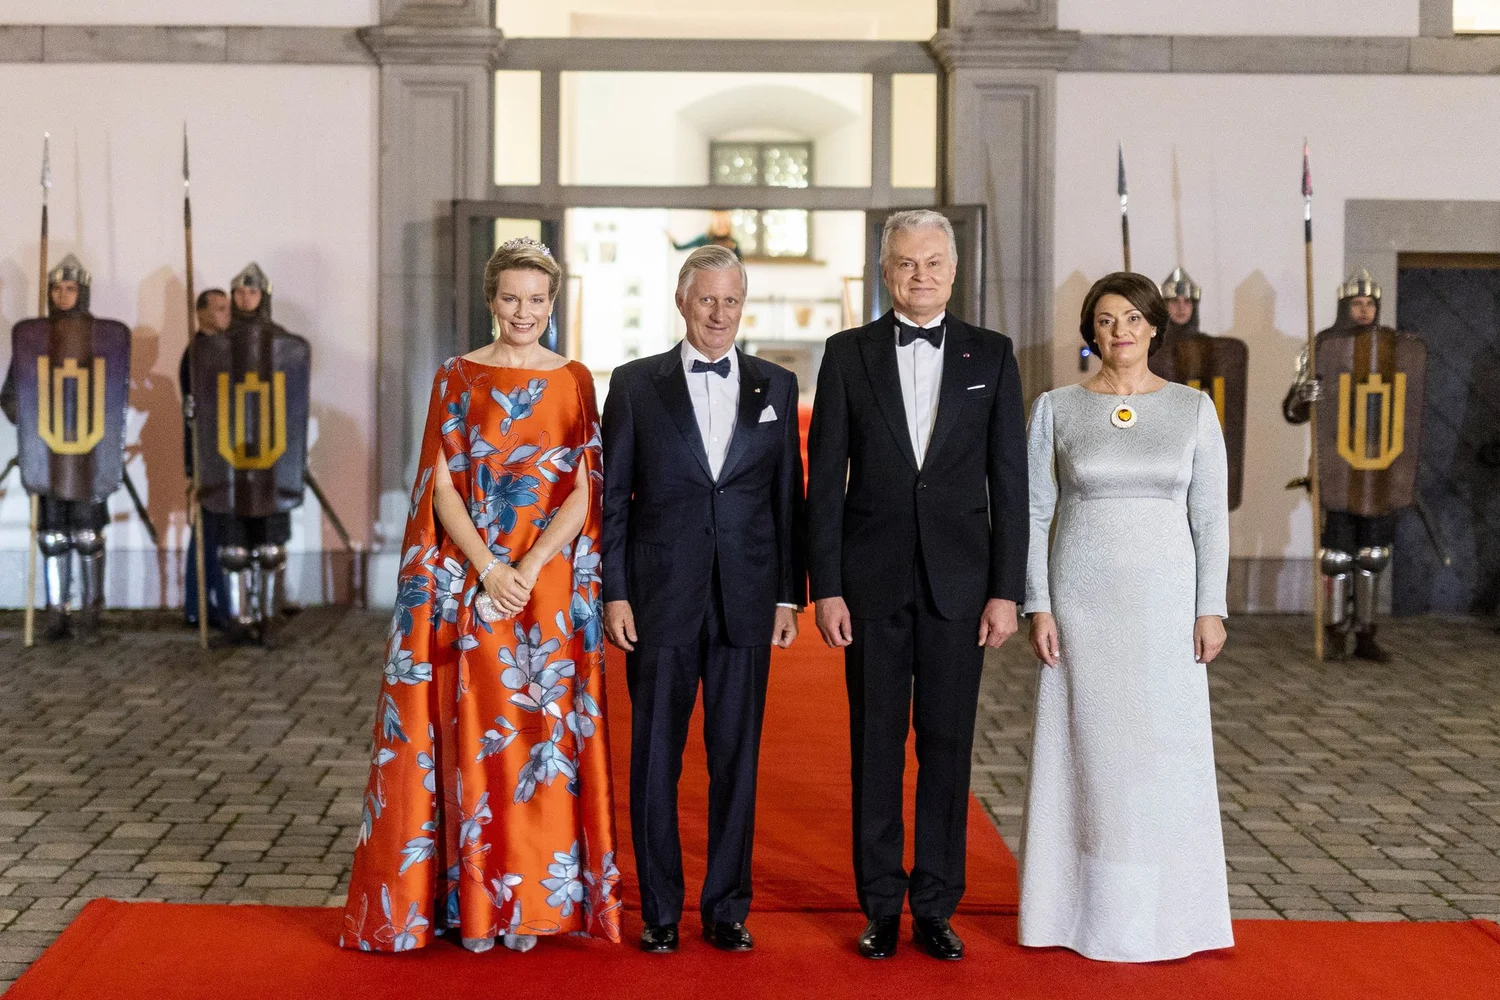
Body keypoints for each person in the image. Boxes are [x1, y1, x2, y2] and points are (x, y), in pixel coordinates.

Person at [342, 236, 619, 954]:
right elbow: (439, 483)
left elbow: (586, 489)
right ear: (491, 299)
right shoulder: (456, 376)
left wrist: (526, 567)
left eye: (536, 300)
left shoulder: (577, 379)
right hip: (470, 582)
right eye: (510, 298)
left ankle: (528, 903)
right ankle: (474, 902)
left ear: (552, 305)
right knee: (471, 732)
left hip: (548, 585)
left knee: (540, 741)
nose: (522, 311)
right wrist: (490, 568)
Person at [805, 209, 1027, 962]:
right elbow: (823, 481)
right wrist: (825, 585)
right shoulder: (846, 354)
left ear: (954, 270)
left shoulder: (991, 356)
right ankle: (880, 906)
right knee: (874, 749)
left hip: (961, 588)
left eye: (933, 262)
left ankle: (935, 903)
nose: (920, 275)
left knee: (947, 747)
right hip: (867, 588)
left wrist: (1007, 590)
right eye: (905, 263)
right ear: (885, 271)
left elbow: (1012, 484)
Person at [1019, 271, 1232, 962]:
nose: (1121, 332)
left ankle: (1171, 914)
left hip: (1166, 608)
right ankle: (1077, 912)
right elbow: (1035, 512)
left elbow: (1209, 519)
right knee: (1090, 754)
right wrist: (1038, 602)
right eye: (1108, 321)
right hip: (1082, 604)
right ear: (1093, 331)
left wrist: (1211, 607)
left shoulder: (1193, 410)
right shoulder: (1056, 408)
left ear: (1154, 329)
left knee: (1160, 758)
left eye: (1134, 320)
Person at [601, 245, 803, 955]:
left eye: (731, 301)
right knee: (655, 757)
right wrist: (615, 592)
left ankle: (726, 908)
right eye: (707, 300)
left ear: (743, 305)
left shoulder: (777, 385)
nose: (719, 314)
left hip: (747, 598)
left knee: (736, 759)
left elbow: (788, 502)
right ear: (682, 302)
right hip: (658, 598)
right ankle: (658, 909)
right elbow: (614, 501)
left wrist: (788, 597)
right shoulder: (633, 385)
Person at [2, 254, 130, 643]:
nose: (62, 294)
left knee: (89, 537)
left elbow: (114, 394)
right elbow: (12, 394)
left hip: (90, 454)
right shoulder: (34, 339)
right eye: (57, 288)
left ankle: (92, 615)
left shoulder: (102, 340)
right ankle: (57, 613)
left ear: (83, 292)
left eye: (70, 288)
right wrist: (26, 413)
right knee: (54, 537)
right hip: (49, 452)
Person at [1283, 269, 1400, 662]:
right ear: (1344, 306)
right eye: (1357, 303)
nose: (1364, 310)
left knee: (1373, 553)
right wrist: (1305, 394)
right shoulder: (1323, 346)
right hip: (1336, 463)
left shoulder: (1392, 349)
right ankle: (1333, 631)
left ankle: (1366, 633)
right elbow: (1292, 411)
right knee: (1335, 556)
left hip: (1377, 464)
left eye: (1370, 304)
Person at [180, 288, 230, 629]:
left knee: (219, 533)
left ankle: (214, 603)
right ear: (202, 313)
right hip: (206, 453)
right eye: (220, 309)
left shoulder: (223, 349)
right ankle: (198, 605)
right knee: (207, 532)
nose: (227, 314)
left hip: (227, 453)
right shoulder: (197, 354)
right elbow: (200, 412)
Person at [666, 210, 743, 260]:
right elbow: (680, 247)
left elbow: (740, 264)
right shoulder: (704, 239)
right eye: (719, 223)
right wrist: (672, 239)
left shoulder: (733, 243)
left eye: (724, 223)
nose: (721, 226)